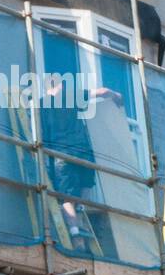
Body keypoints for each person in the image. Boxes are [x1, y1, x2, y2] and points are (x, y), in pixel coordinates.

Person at [39, 75, 122, 251]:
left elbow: (38, 134)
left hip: (60, 155)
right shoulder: (70, 96)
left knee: (66, 196)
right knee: (84, 186)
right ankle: (79, 215)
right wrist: (116, 96)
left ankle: (75, 231)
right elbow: (103, 92)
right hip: (82, 152)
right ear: (60, 85)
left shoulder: (41, 105)